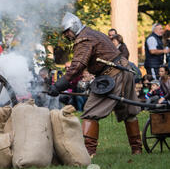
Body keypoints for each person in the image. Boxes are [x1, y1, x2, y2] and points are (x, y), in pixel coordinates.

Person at [48, 12, 142, 156]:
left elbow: (77, 67)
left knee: (90, 113)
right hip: (124, 71)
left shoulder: (84, 39)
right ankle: (137, 150)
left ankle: (88, 153)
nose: (66, 35)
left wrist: (58, 86)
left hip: (113, 75)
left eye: (67, 31)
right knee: (129, 113)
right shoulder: (92, 33)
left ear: (73, 27)